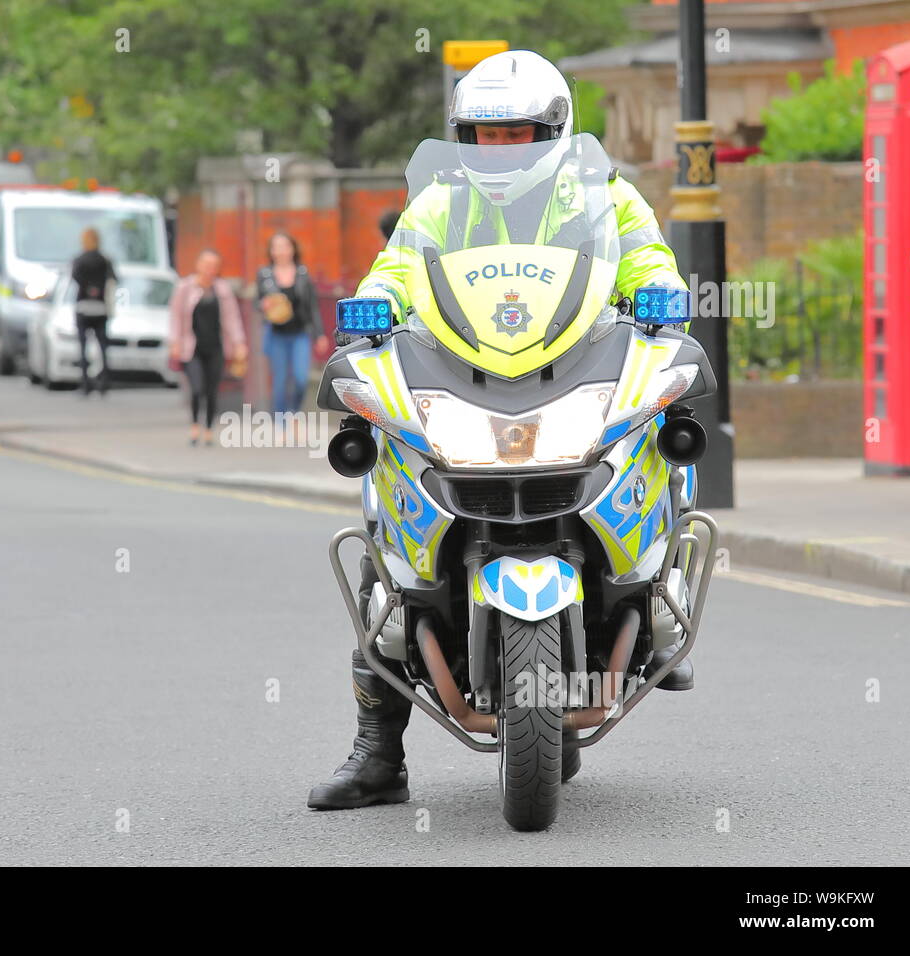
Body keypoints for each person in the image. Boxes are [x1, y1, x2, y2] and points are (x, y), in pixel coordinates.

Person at [308, 49, 692, 813]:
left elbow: (649, 259)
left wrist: (659, 293)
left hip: (571, 370)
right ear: (460, 137)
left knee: (659, 432)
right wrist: (374, 307)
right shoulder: (440, 204)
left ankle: (655, 586)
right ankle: (378, 753)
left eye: (518, 132)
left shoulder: (606, 196)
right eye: (485, 134)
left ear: (554, 130)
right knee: (389, 521)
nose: (502, 148)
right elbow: (395, 269)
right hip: (463, 378)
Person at [168, 249, 247, 446]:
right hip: (191, 347)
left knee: (212, 389)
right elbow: (176, 316)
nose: (209, 269)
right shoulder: (185, 287)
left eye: (213, 266)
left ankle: (209, 428)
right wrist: (174, 342)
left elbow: (231, 318)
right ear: (198, 265)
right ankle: (195, 425)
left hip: (216, 347)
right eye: (206, 264)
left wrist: (239, 343)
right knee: (197, 388)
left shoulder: (222, 290)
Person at [254, 233, 327, 425]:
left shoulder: (303, 274)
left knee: (301, 378)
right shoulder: (265, 275)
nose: (281, 251)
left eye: (285, 246)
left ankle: (293, 411)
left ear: (293, 249)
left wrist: (319, 334)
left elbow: (312, 306)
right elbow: (257, 302)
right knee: (279, 382)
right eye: (276, 247)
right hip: (276, 334)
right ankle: (281, 424)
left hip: (299, 333)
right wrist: (264, 305)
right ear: (271, 251)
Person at [70, 227, 118, 395]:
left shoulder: (79, 260)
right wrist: (98, 289)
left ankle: (85, 383)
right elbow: (114, 279)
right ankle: (104, 382)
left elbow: (75, 278)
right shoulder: (105, 260)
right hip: (100, 308)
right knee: (102, 347)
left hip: (83, 306)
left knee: (83, 348)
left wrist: (88, 288)